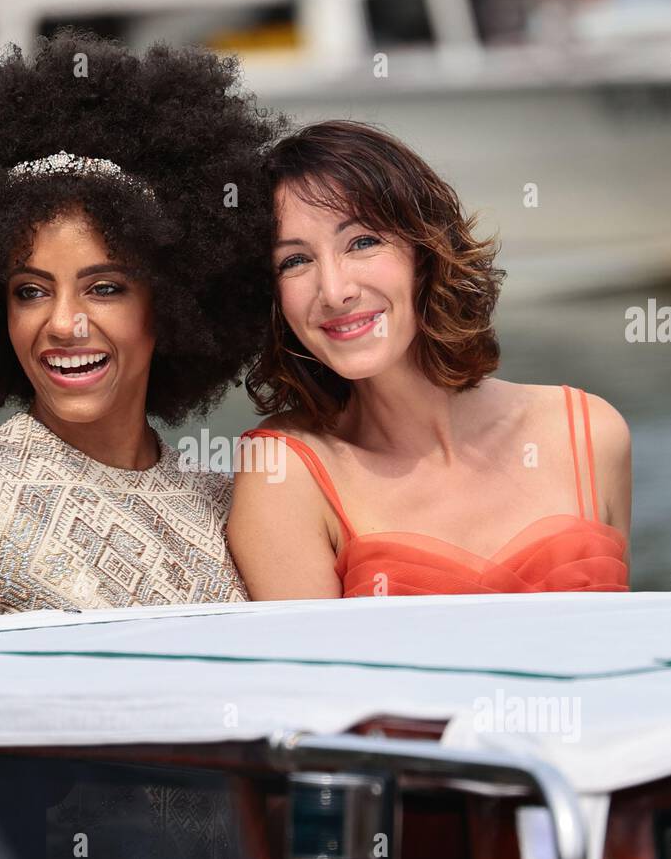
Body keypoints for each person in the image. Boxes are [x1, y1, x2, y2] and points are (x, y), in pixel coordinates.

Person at [0, 33, 282, 624]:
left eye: (105, 287)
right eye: (31, 291)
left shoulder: (225, 500)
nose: (63, 323)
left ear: (172, 302)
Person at [229, 120, 631, 599]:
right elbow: (309, 675)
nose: (335, 292)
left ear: (424, 250)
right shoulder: (284, 475)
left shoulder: (588, 433)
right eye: (295, 261)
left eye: (362, 242)